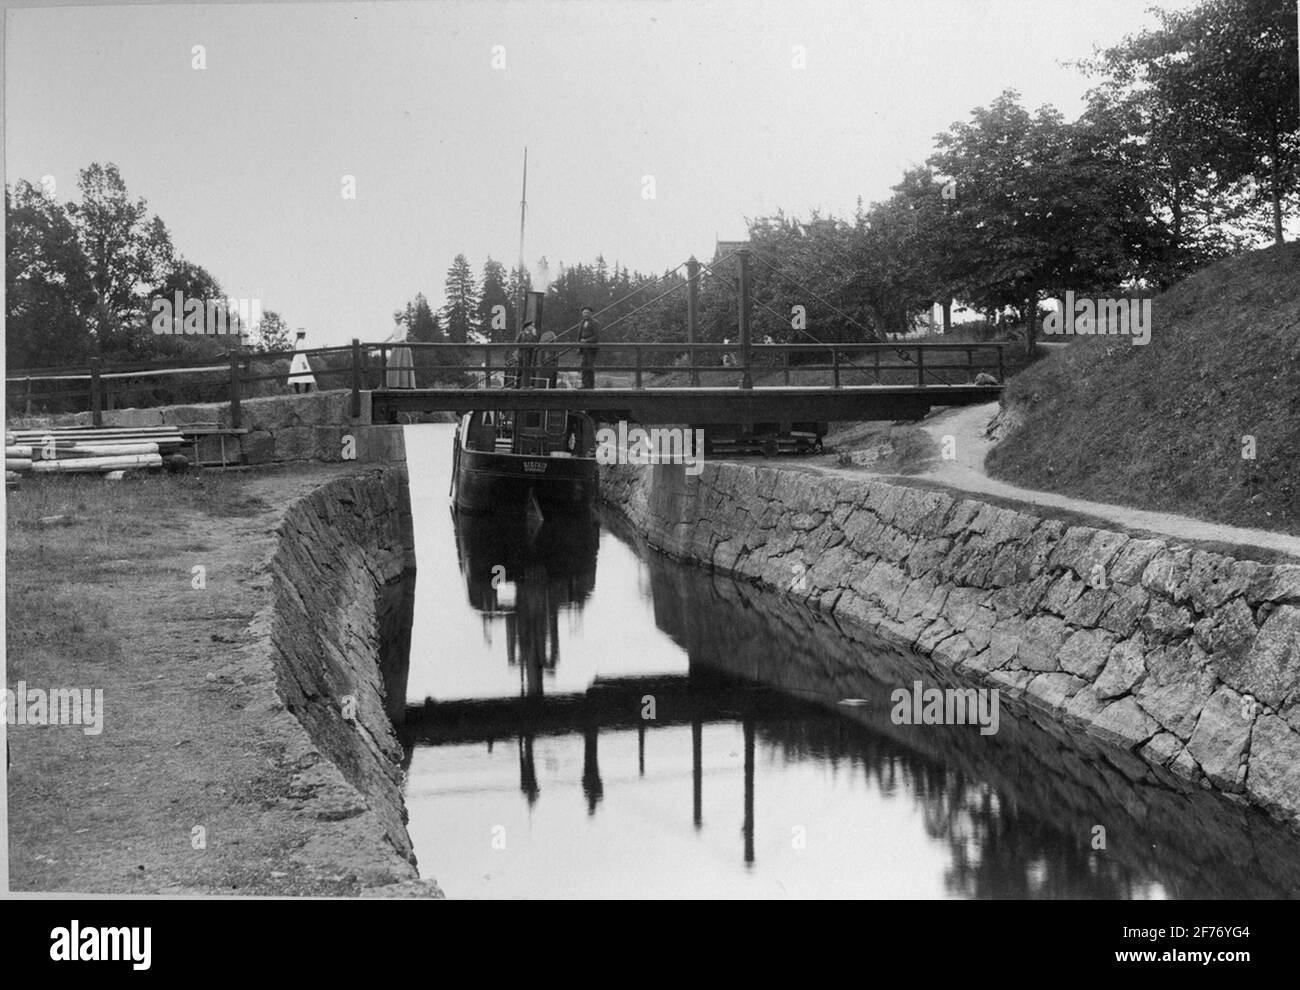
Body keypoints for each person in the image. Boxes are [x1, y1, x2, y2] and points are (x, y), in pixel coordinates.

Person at [578, 306, 599, 389]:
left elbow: (596, 336)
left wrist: (586, 341)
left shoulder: (595, 323)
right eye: (584, 313)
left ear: (591, 314)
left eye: (587, 313)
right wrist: (578, 346)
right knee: (583, 365)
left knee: (590, 366)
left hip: (591, 348)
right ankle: (584, 384)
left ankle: (590, 385)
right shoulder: (582, 323)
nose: (585, 314)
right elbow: (579, 336)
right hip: (583, 348)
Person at [515, 320, 539, 388]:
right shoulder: (522, 334)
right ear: (527, 326)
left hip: (529, 354)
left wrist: (534, 335)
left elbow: (535, 343)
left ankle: (526, 384)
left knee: (528, 370)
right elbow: (517, 342)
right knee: (520, 369)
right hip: (522, 354)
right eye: (531, 325)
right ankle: (518, 385)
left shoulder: (532, 334)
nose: (533, 327)